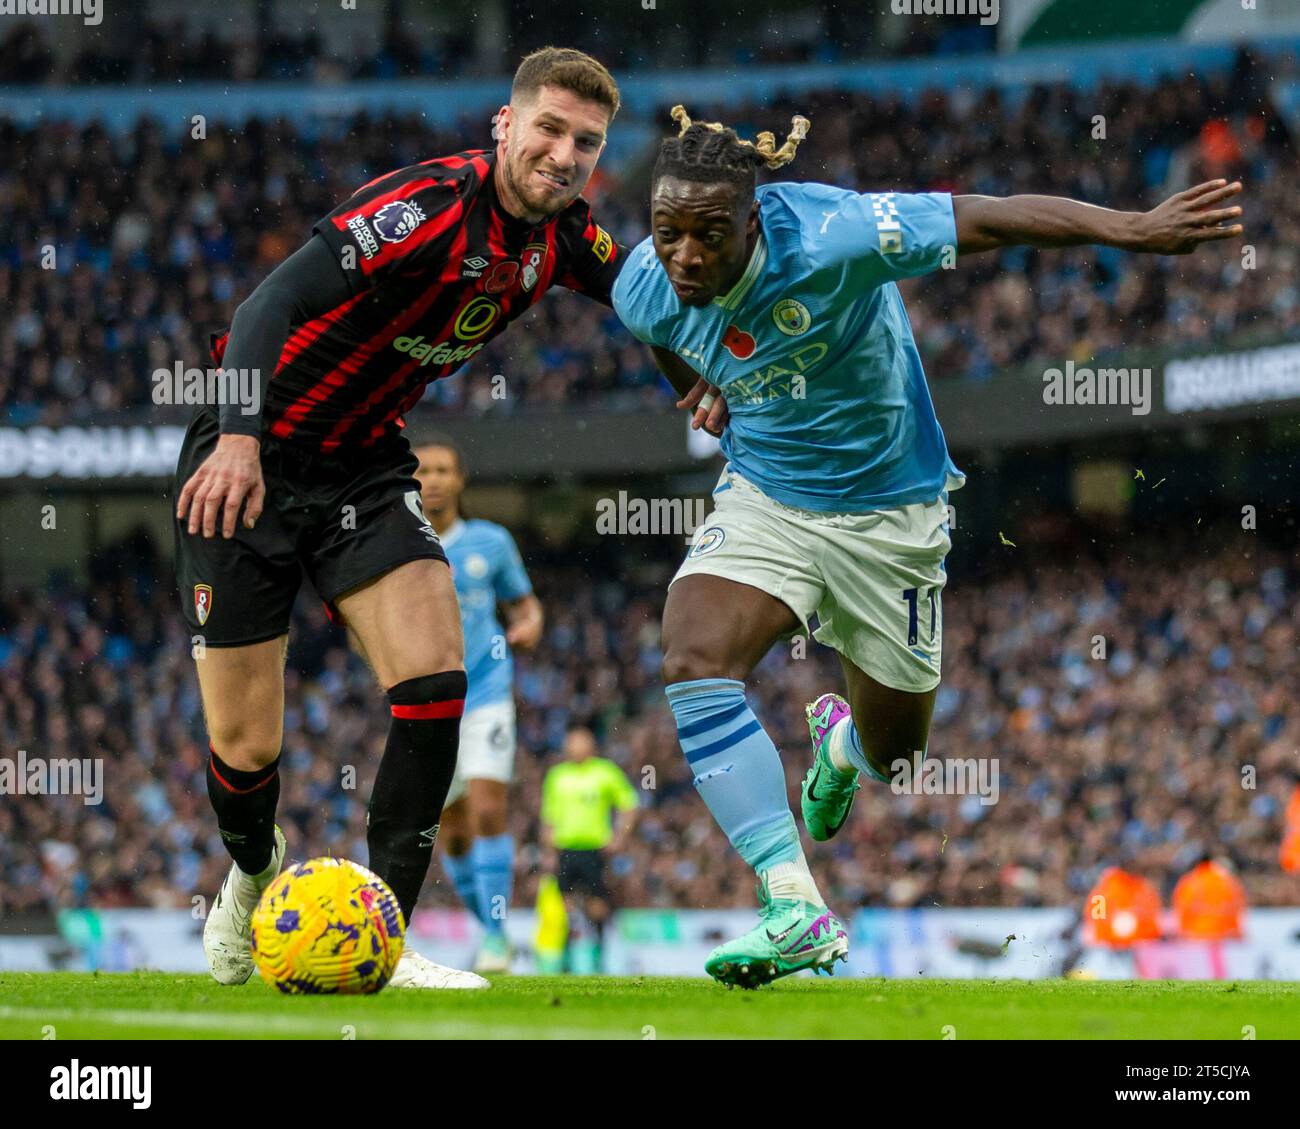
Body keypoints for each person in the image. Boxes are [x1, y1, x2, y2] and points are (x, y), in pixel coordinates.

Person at [612, 104, 1246, 987]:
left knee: (897, 755)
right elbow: (660, 331)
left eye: (708, 234)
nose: (684, 254)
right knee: (692, 651)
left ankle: (841, 750)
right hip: (768, 496)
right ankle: (792, 902)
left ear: (753, 220)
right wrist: (700, 385)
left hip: (891, 516)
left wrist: (1132, 229)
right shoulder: (643, 282)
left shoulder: (832, 236)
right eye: (667, 231)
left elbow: (985, 217)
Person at [173, 47, 630, 990]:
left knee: (435, 682)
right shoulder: (425, 206)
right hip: (249, 459)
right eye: (548, 128)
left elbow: (649, 297)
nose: (564, 154)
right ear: (505, 125)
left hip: (365, 469)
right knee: (247, 750)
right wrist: (240, 439)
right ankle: (253, 868)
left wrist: (702, 379)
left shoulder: (564, 238)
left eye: (585, 142)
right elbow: (267, 303)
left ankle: (381, 940)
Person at [414, 436, 543, 973]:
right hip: (426, 701)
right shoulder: (398, 544)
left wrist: (529, 624)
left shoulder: (490, 542)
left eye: (444, 470)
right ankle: (490, 929)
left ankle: (494, 937)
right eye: (423, 470)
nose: (433, 479)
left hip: (486, 692)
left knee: (489, 808)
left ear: (460, 479)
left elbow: (525, 604)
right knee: (453, 831)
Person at [539, 726, 639, 973]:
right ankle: (565, 958)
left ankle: (598, 954)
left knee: (597, 904)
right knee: (564, 904)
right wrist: (548, 850)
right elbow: (548, 817)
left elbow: (629, 804)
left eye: (580, 742)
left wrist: (620, 836)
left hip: (594, 849)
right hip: (564, 849)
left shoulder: (605, 772)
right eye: (571, 742)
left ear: (591, 745)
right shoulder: (557, 775)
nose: (574, 747)